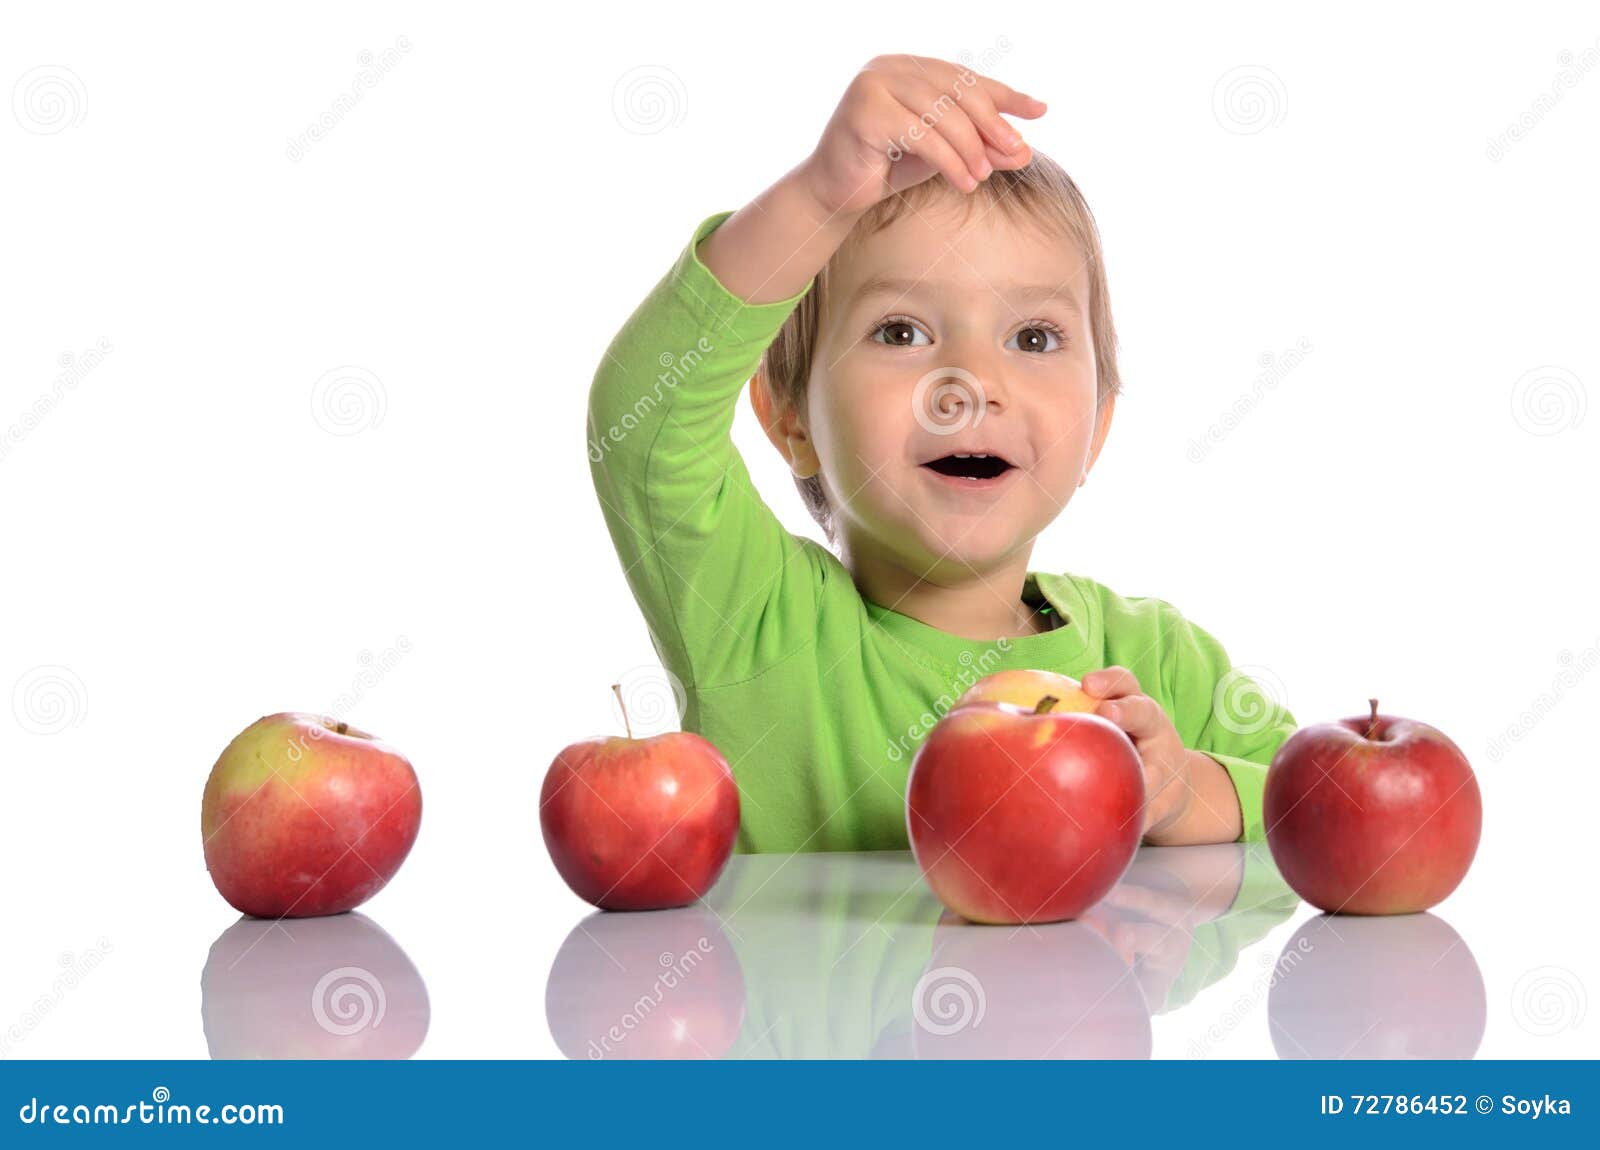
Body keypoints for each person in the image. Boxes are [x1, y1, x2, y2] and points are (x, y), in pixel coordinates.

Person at [587, 53, 1296, 853]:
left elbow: (1316, 803)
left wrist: (1185, 792)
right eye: (901, 332)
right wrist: (819, 199)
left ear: (1097, 426)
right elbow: (644, 425)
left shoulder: (1160, 664)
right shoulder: (757, 624)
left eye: (1034, 338)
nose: (971, 384)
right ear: (790, 417)